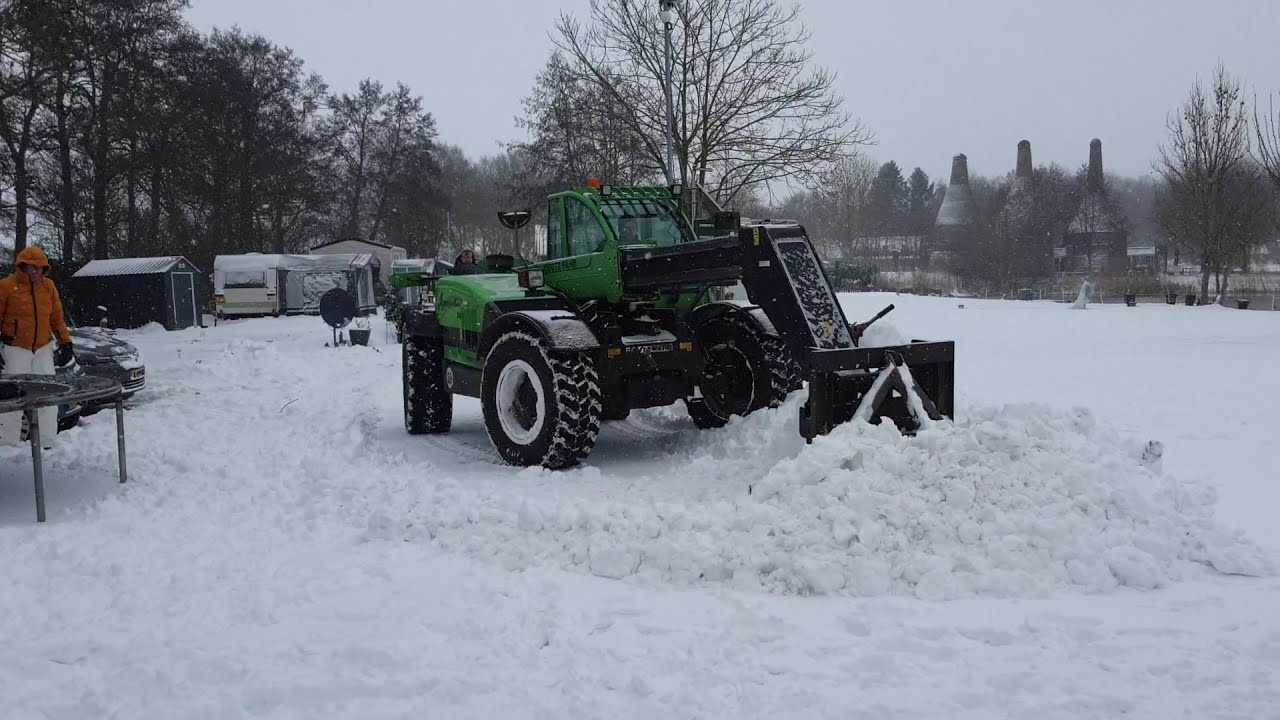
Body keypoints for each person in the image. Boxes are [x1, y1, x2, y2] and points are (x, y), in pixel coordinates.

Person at [0, 246, 74, 448]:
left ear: (44, 269)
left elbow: (56, 317)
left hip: (43, 349)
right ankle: (8, 444)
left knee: (47, 395)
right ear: (21, 266)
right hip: (16, 348)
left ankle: (47, 442)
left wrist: (65, 341)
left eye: (39, 267)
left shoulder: (48, 287)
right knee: (12, 397)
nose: (35, 271)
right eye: (30, 267)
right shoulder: (6, 286)